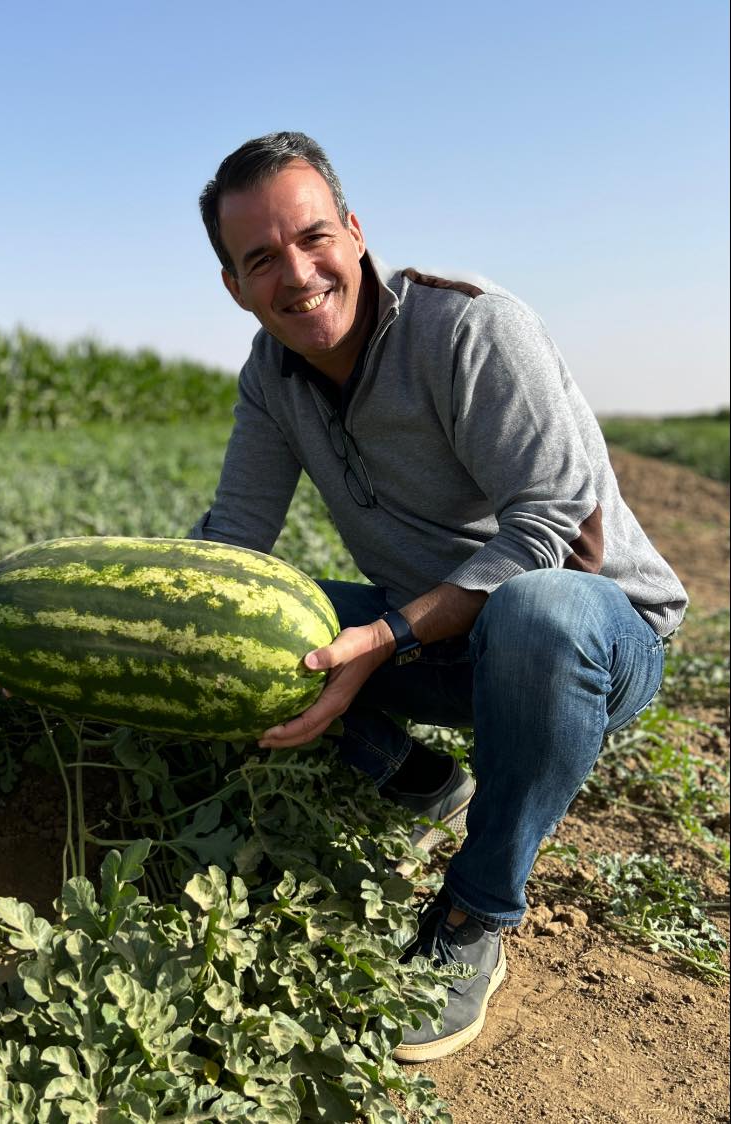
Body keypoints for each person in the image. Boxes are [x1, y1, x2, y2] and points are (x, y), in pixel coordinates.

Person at [191, 131, 687, 1063]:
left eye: (311, 238)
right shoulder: (271, 379)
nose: (296, 274)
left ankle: (474, 910)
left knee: (536, 612)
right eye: (261, 258)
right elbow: (232, 546)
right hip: (440, 638)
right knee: (250, 629)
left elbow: (547, 527)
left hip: (591, 636)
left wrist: (383, 634)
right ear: (234, 287)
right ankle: (420, 779)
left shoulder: (467, 327)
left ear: (353, 229)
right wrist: (121, 625)